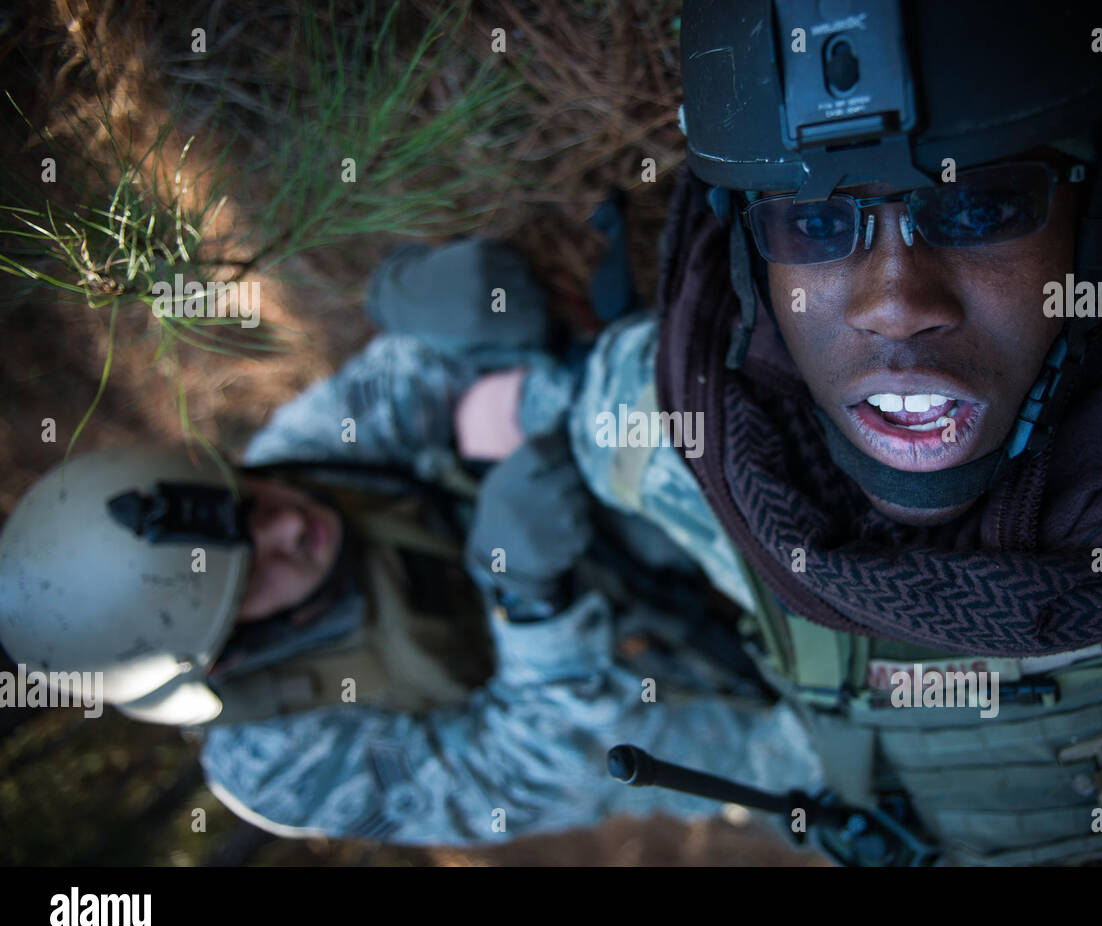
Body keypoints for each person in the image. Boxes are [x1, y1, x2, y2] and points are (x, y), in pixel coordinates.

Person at [537, 1, 1102, 864]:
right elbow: (548, 411)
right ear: (753, 266)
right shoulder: (688, 426)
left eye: (977, 211)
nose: (896, 303)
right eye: (816, 224)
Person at [0, 237, 823, 847]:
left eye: (246, 501)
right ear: (220, 655)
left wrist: (451, 314)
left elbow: (421, 380)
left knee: (621, 400)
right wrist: (529, 602)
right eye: (250, 571)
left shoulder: (306, 455)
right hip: (687, 715)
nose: (287, 523)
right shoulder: (274, 763)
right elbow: (530, 773)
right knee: (838, 760)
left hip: (634, 552)